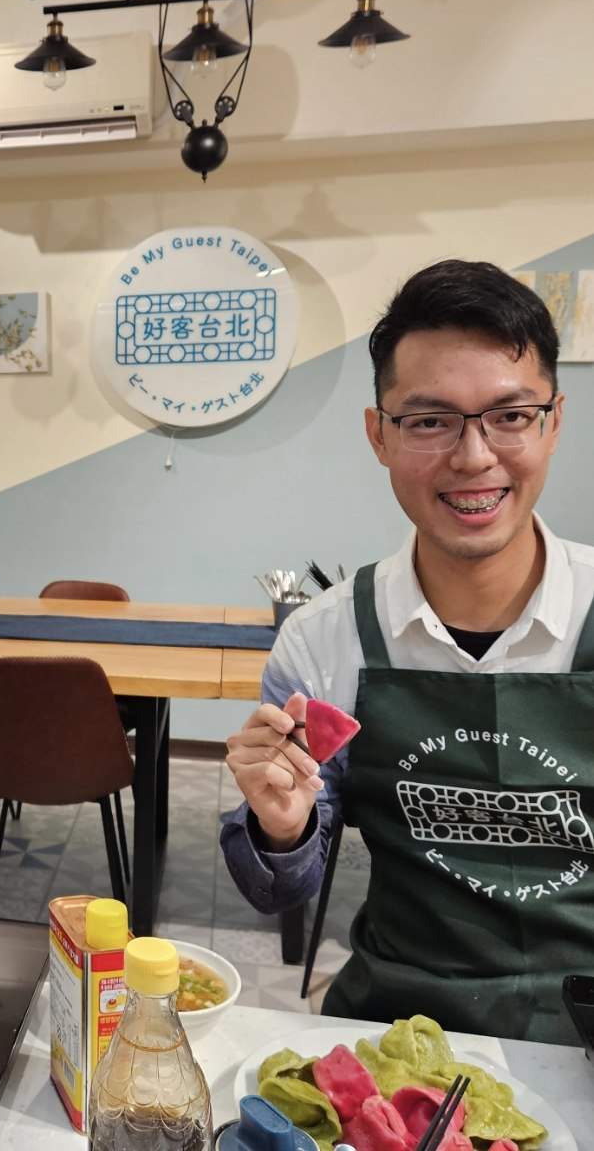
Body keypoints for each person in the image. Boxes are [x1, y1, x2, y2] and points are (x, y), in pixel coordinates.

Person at [221, 260, 594, 1046]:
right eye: (430, 421)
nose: (473, 456)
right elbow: (277, 889)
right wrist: (282, 828)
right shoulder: (325, 639)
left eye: (510, 416)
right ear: (379, 435)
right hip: (398, 1022)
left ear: (554, 423)